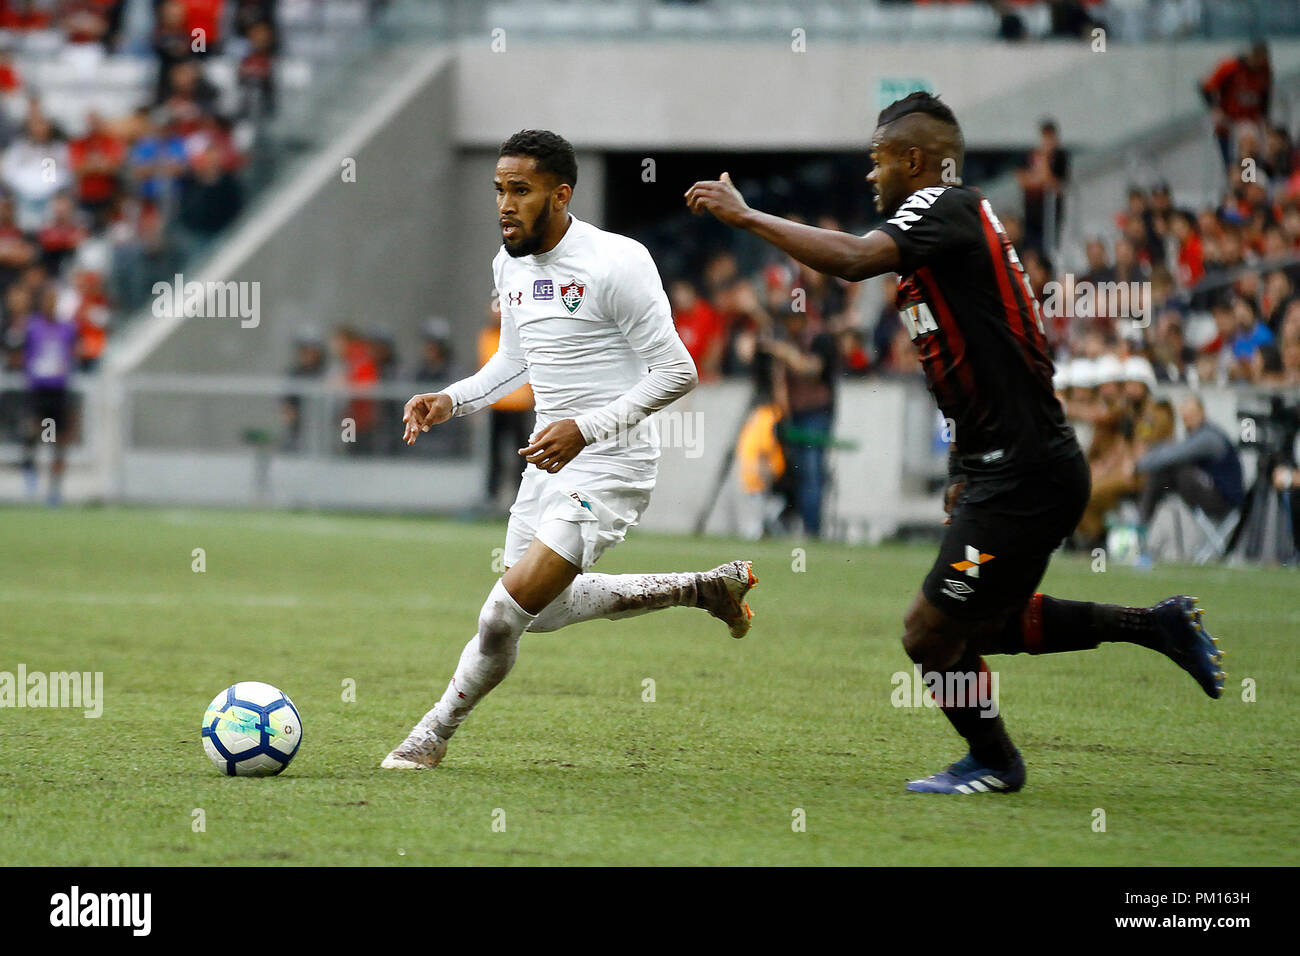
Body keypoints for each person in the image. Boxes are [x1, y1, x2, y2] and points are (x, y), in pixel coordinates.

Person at [686, 92, 1225, 795]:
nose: (872, 177)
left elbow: (851, 260)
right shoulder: (949, 237)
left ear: (915, 160)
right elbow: (975, 368)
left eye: (879, 161)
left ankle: (997, 764)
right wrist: (960, 466)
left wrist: (747, 216)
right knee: (984, 625)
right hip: (1010, 467)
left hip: (1024, 472)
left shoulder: (942, 207)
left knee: (928, 635)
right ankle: (1155, 625)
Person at [383, 130, 757, 771]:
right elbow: (515, 361)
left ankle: (430, 735)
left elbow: (677, 372)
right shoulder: (508, 265)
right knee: (545, 612)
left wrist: (586, 429)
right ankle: (702, 589)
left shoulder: (618, 262)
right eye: (499, 189)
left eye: (520, 191)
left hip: (611, 461)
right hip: (548, 460)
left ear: (561, 195)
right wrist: (453, 399)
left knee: (503, 613)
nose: (504, 204)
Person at [1134, 394, 1244, 530]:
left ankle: (1142, 524)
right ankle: (1143, 523)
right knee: (1163, 473)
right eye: (1185, 417)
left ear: (1202, 413)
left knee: (1176, 470)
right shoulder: (1198, 435)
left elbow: (1175, 454)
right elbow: (1171, 450)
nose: (1188, 420)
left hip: (1224, 501)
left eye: (1192, 415)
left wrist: (1137, 465)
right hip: (1214, 493)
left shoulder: (1208, 438)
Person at [476, 299, 534, 505]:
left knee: (522, 453)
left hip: (518, 404)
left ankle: (522, 495)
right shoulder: (488, 336)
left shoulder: (518, 335)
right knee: (495, 454)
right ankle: (492, 496)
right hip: (497, 404)